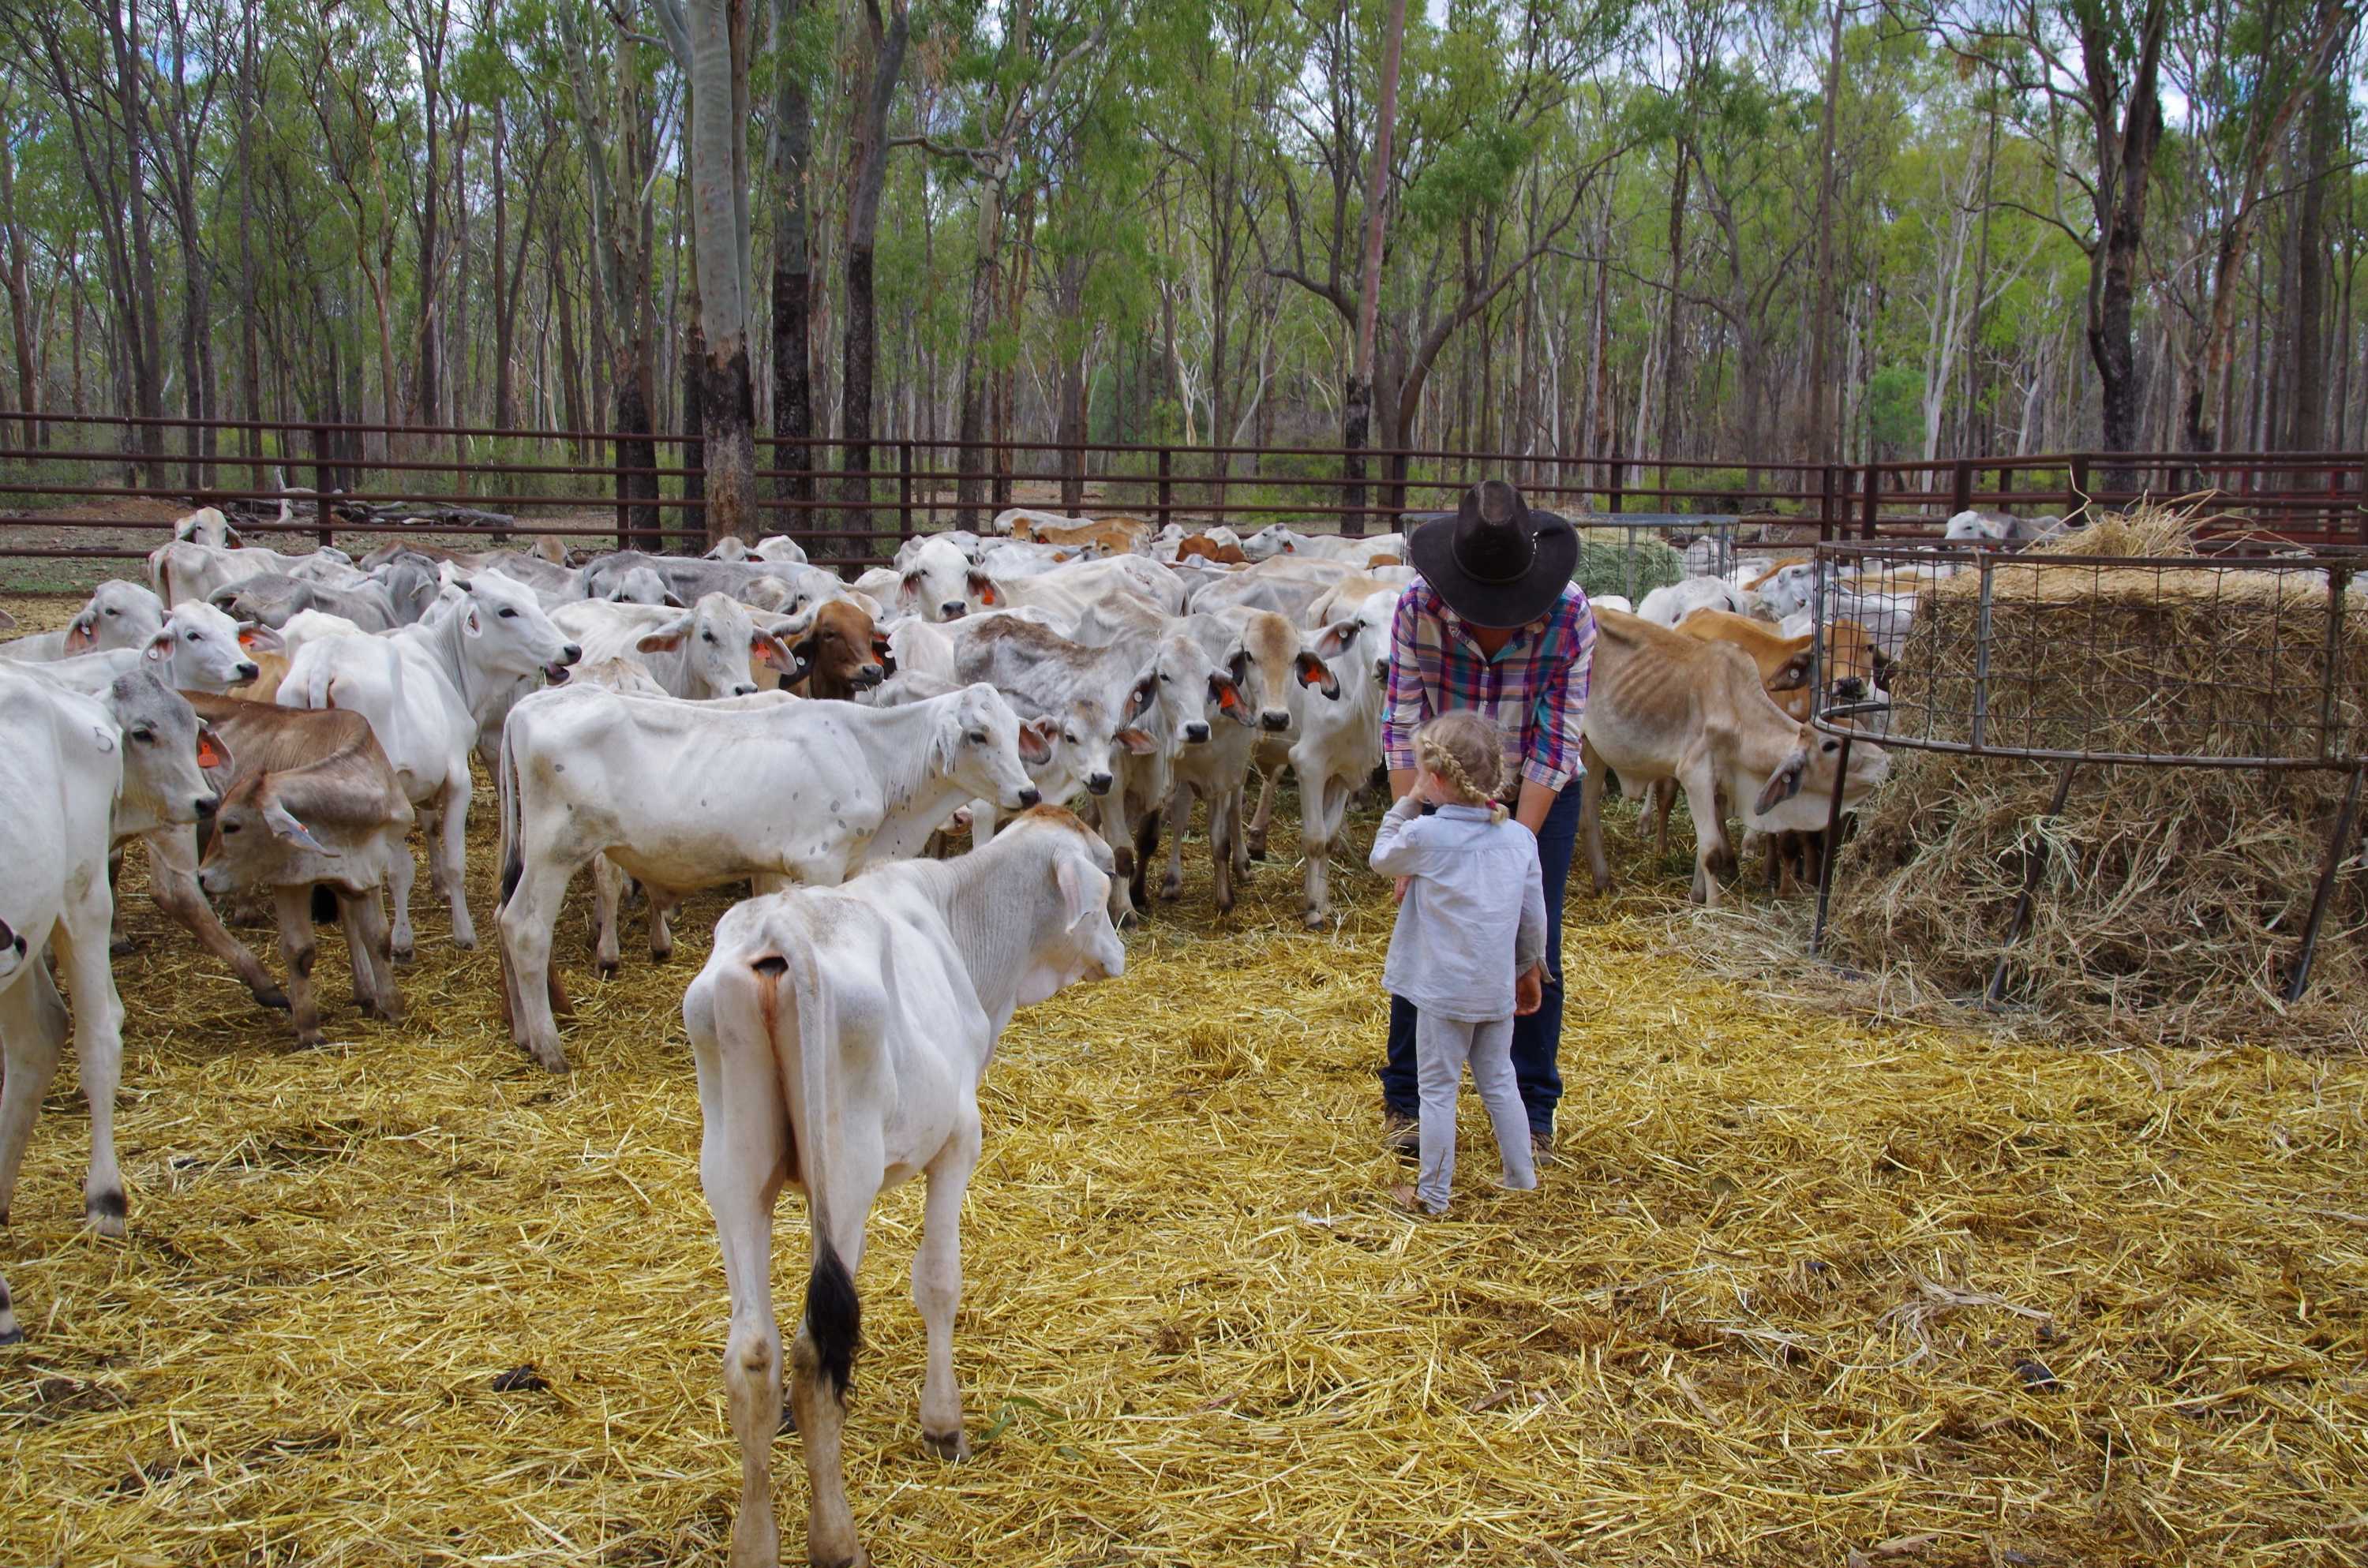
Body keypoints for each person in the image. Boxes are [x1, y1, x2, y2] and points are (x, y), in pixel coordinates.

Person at [1380, 477, 1595, 1154]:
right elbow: (1402, 724)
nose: (1492, 616)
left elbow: (1559, 742)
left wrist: (1512, 856)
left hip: (1534, 786)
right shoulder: (1419, 606)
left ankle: (1534, 1105)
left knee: (1534, 934)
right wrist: (1419, 827)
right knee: (1427, 921)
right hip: (1441, 781)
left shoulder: (1571, 616)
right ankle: (1408, 1100)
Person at [1369, 712, 1549, 1215]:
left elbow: (1381, 858)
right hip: (1494, 990)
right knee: (1499, 1081)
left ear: (1438, 778)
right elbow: (1533, 918)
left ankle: (1433, 1195)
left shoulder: (1425, 836)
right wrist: (1528, 970)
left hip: (1443, 993)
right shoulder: (1519, 839)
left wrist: (1408, 801)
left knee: (1438, 1090)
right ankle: (1521, 1178)